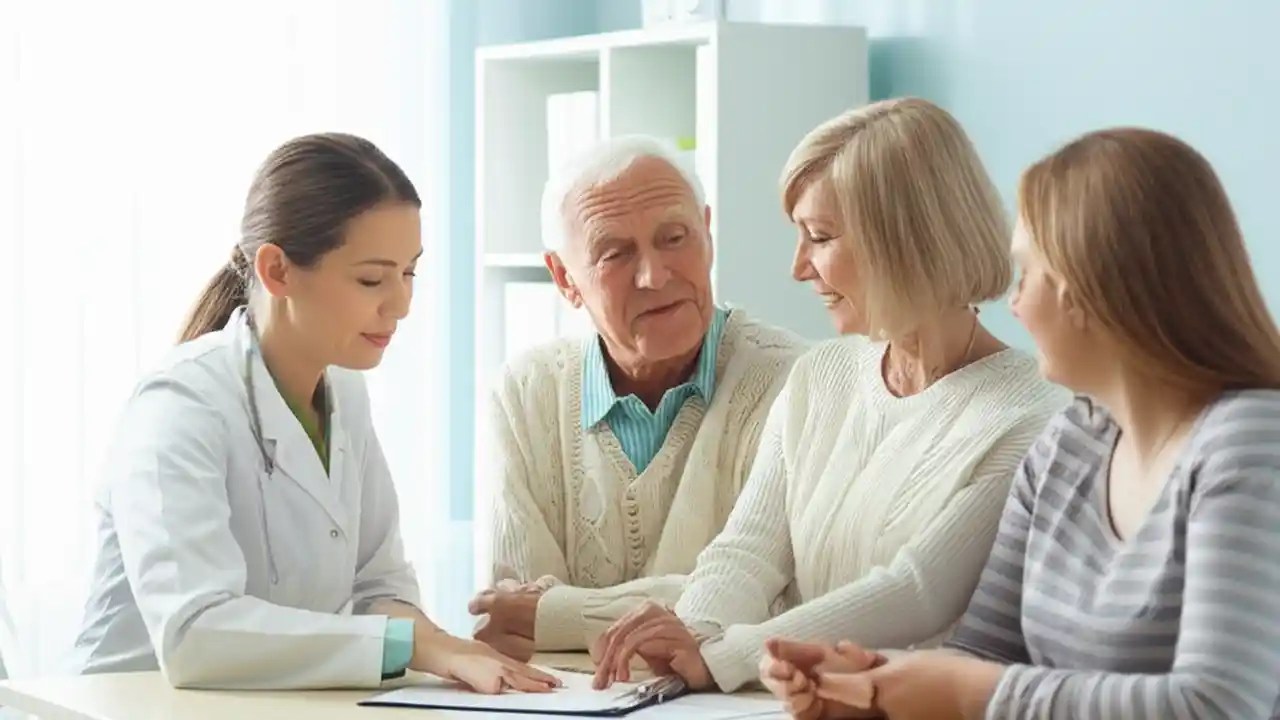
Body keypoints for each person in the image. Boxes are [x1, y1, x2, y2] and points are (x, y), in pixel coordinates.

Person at [761, 128, 1280, 720]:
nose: (1014, 304)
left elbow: (1220, 704)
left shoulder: (1249, 442)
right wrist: (872, 692)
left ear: (1091, 288)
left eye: (1027, 274)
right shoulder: (1067, 446)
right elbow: (983, 653)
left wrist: (968, 691)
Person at [590, 98, 1069, 693]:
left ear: (904, 241)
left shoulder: (1033, 414)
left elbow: (918, 591)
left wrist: (726, 657)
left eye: (818, 237)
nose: (799, 267)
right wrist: (690, 631)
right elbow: (748, 550)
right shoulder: (819, 376)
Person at [70, 133, 557, 693]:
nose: (401, 304)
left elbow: (379, 584)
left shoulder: (345, 392)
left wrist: (449, 651)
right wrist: (416, 647)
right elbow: (194, 634)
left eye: (409, 273)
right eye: (372, 279)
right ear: (277, 271)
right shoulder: (178, 406)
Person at [470, 136, 807, 661]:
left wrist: (562, 616)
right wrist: (693, 608)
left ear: (708, 234)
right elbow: (512, 624)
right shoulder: (524, 392)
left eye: (674, 238)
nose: (654, 275)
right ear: (564, 278)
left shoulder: (797, 382)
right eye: (615, 254)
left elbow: (783, 610)